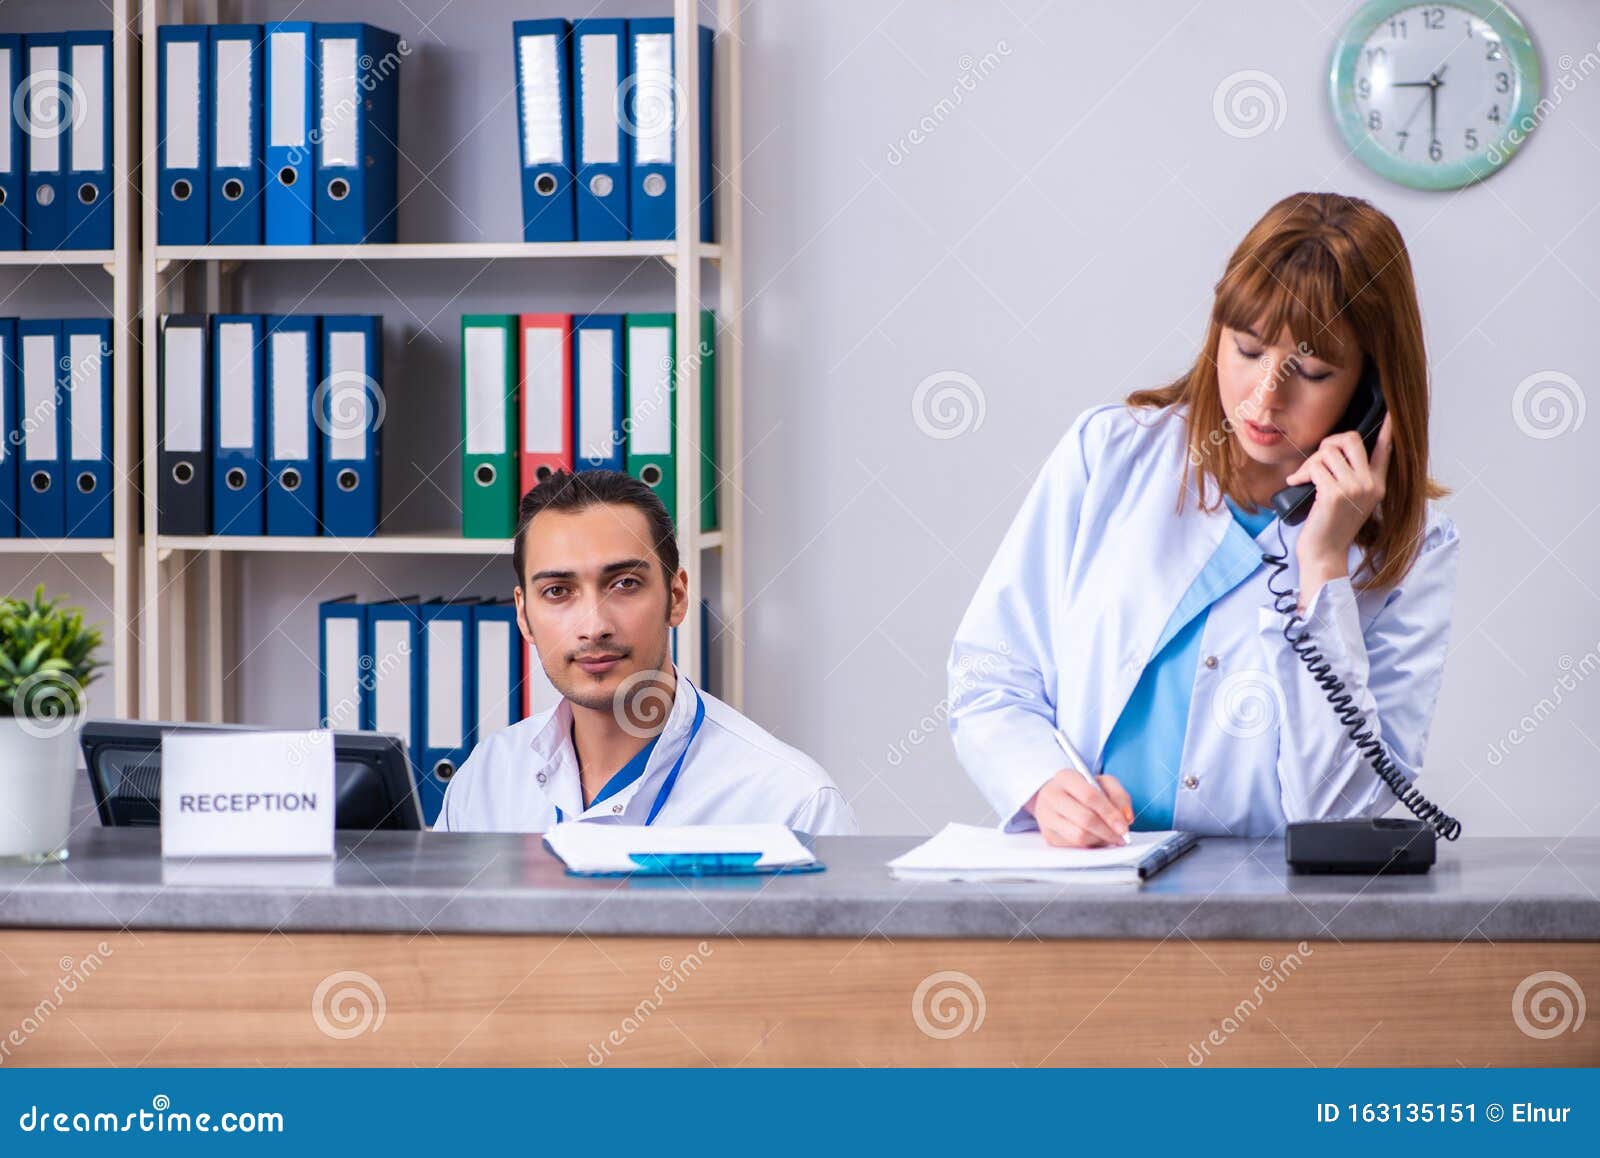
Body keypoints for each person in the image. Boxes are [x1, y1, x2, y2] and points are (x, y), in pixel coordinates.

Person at [948, 192, 1460, 845]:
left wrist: (1325, 565)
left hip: (1267, 915)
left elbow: (1335, 814)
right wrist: (1045, 785)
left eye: (1310, 370)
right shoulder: (1107, 455)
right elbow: (992, 668)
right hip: (1089, 883)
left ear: (1372, 389)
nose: (1265, 396)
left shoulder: (1414, 548)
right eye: (1247, 350)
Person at [435, 470, 856, 834]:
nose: (594, 626)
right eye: (558, 592)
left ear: (676, 596)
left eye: (624, 584)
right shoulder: (485, 782)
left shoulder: (792, 804)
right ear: (524, 615)